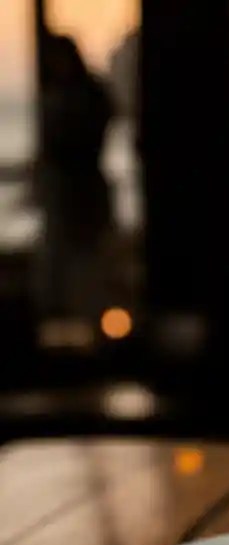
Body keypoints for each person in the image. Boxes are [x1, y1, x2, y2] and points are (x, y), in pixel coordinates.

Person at [31, 33, 115, 339]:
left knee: (81, 272)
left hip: (76, 198)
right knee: (78, 271)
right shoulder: (89, 96)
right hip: (75, 198)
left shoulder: (73, 98)